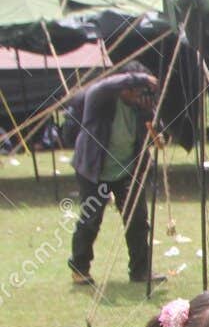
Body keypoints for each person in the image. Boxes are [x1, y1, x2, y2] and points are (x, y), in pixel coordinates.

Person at [68, 68, 163, 287]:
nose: (137, 95)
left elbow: (151, 132)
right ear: (123, 88)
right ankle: (80, 269)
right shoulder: (99, 98)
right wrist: (143, 77)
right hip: (94, 171)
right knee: (91, 220)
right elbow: (105, 84)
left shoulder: (139, 107)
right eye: (134, 90)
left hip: (126, 171)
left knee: (138, 220)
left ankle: (140, 270)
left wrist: (148, 110)